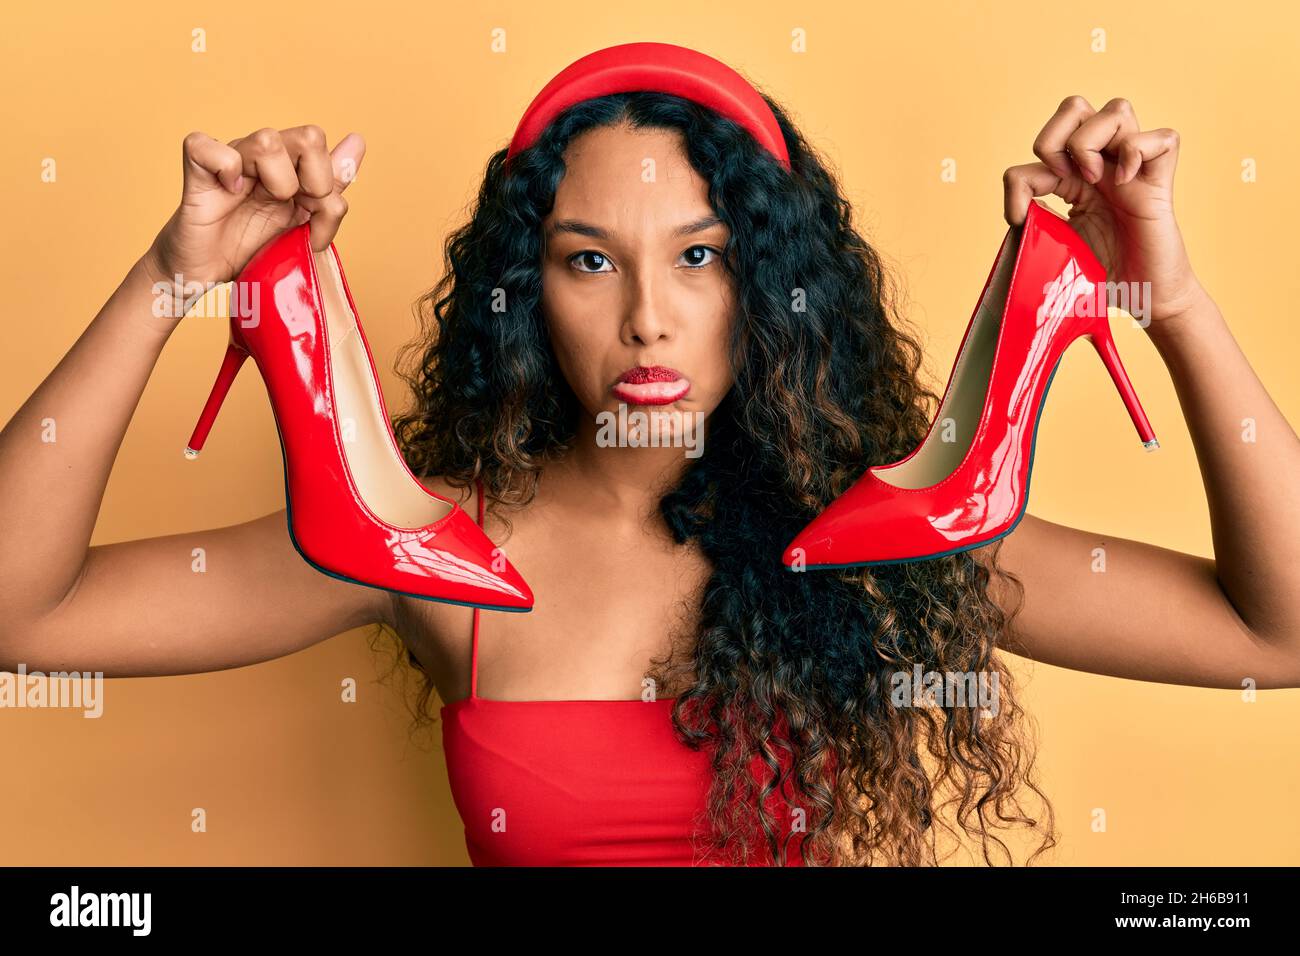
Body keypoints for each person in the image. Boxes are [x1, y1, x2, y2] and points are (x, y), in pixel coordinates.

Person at [1, 69, 1297, 865]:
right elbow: (23, 617)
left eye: (700, 253)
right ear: (526, 292)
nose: (647, 318)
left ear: (774, 283)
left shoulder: (887, 538)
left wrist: (1160, 291)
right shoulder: (420, 543)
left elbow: (1278, 635)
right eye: (586, 258)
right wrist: (178, 275)